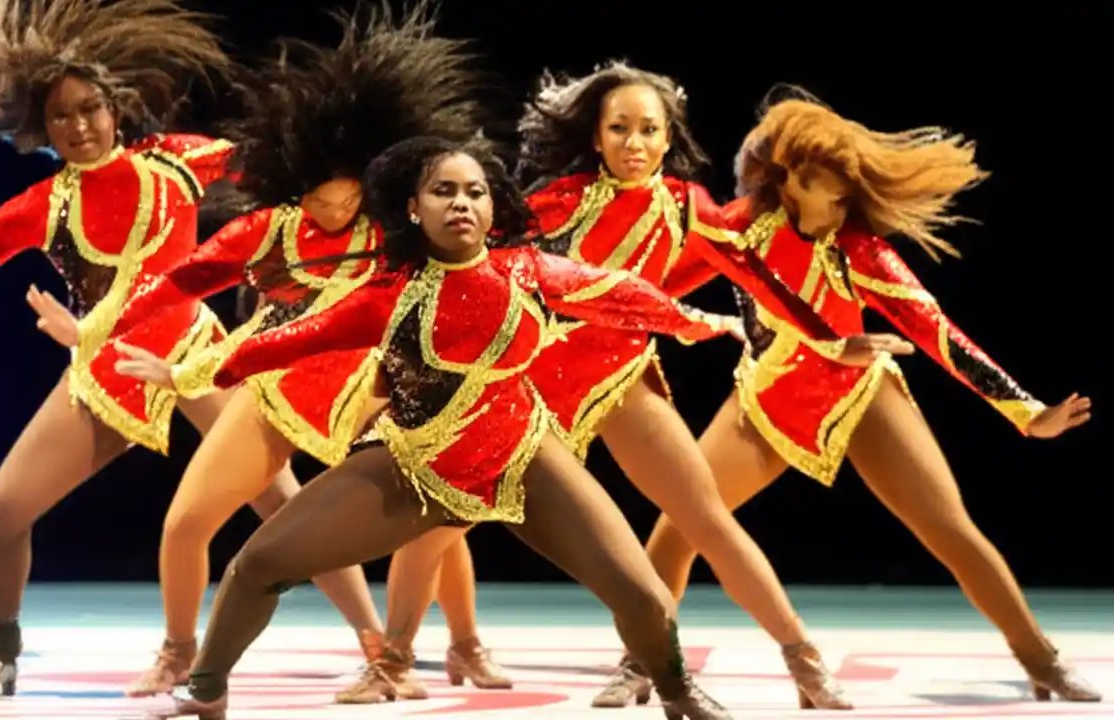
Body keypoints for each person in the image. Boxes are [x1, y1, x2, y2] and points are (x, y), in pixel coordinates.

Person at [114, 135, 736, 719]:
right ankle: (205, 693)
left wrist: (696, 320)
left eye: (474, 191)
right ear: (413, 208)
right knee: (258, 564)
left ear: (493, 206)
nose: (461, 203)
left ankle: (678, 693)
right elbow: (285, 341)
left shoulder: (529, 272)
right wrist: (185, 375)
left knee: (646, 598)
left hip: (521, 455)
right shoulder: (389, 294)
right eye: (444, 191)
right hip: (414, 463)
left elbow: (619, 292)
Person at [27, 0, 507, 698]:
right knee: (186, 523)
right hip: (279, 391)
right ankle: (178, 651)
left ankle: (441, 648)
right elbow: (174, 285)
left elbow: (468, 282)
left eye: (346, 185)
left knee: (439, 523)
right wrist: (96, 330)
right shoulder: (270, 230)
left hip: (374, 395)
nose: (331, 200)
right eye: (316, 184)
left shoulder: (397, 230)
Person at [0, 0, 259, 699]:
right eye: (61, 116)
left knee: (281, 502)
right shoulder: (40, 205)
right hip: (105, 368)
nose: (79, 126)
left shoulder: (178, 162)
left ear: (115, 109)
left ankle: (381, 648)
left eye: (90, 108)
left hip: (194, 353)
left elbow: (272, 168)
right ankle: (1, 649)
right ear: (41, 127)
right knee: (2, 513)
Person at [622, 87, 1100, 705]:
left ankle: (1042, 658)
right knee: (679, 522)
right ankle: (643, 660)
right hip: (769, 401)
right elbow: (652, 287)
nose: (843, 199)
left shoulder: (862, 251)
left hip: (860, 397)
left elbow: (937, 332)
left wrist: (1025, 410)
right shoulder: (736, 230)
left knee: (951, 529)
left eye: (850, 189)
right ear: (793, 178)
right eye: (831, 185)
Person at [511, 61, 908, 710]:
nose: (633, 142)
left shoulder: (686, 207)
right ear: (595, 135)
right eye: (619, 128)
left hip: (623, 379)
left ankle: (801, 662)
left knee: (706, 520)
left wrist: (828, 338)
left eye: (648, 129)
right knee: (442, 513)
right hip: (536, 379)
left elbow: (758, 275)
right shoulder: (560, 201)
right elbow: (486, 262)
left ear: (670, 139)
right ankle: (400, 657)